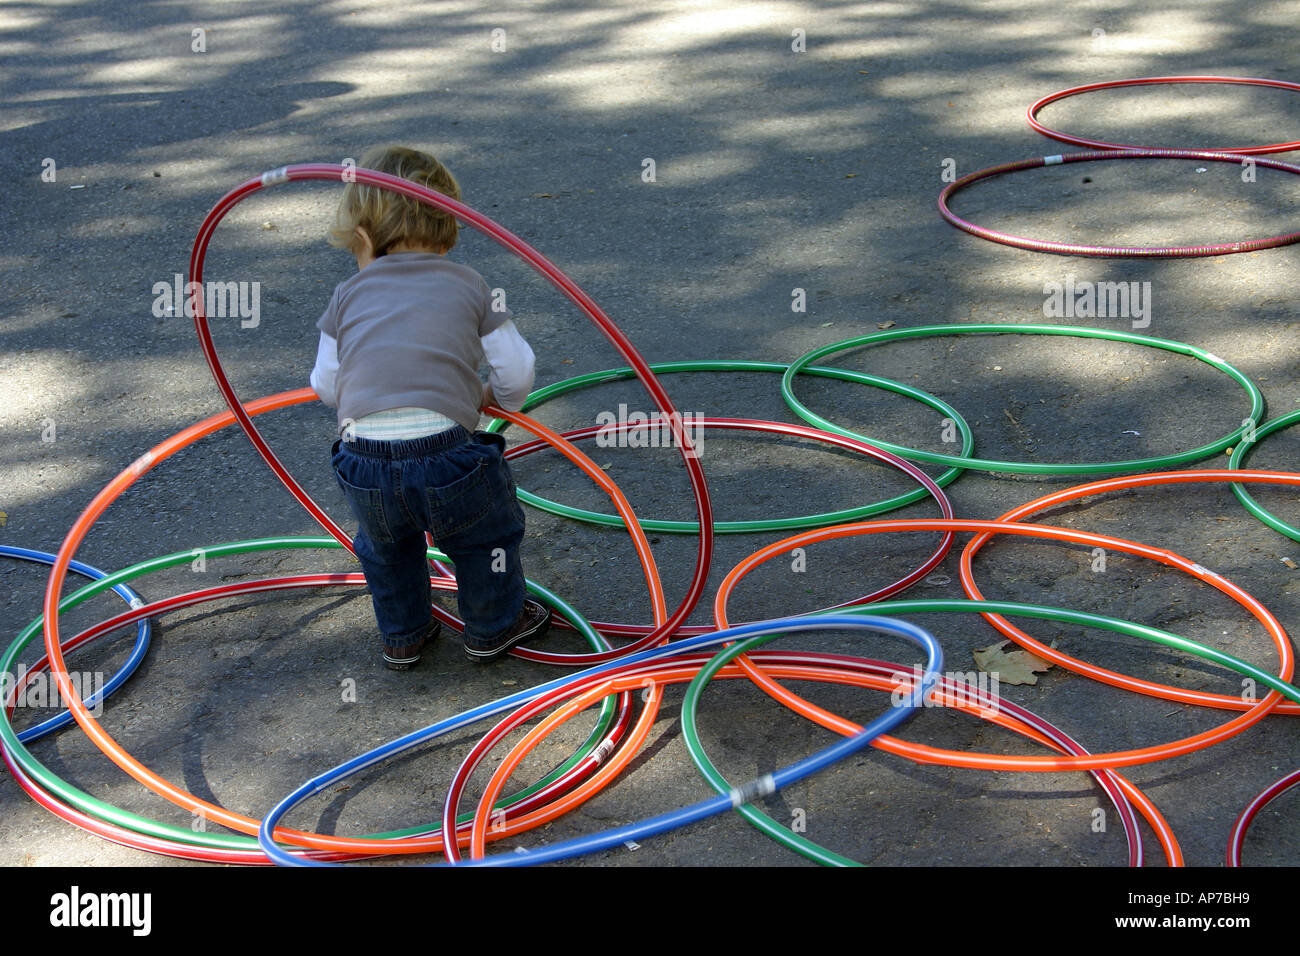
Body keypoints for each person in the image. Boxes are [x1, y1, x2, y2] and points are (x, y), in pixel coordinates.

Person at [309, 145, 550, 669]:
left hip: (362, 459)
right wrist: (498, 402)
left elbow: (326, 384)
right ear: (449, 226)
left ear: (362, 236)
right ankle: (493, 627)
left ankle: (404, 637)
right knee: (485, 540)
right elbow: (516, 368)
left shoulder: (346, 294)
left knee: (386, 550)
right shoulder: (472, 284)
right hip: (449, 457)